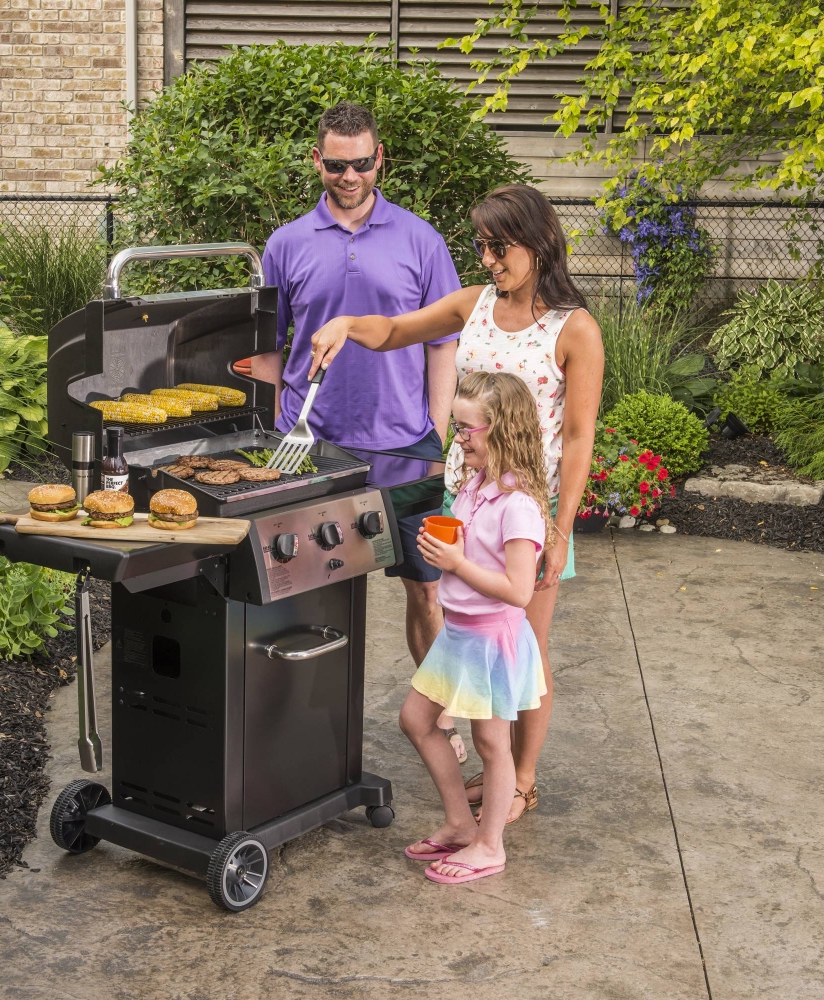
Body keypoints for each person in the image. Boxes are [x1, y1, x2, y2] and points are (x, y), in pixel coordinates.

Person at [307, 183, 604, 824]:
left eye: (501, 248)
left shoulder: (574, 329)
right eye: (482, 247)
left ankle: (522, 780)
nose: (489, 260)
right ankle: (498, 767)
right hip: (465, 501)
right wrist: (347, 325)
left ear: (538, 244)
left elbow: (580, 439)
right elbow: (394, 331)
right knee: (474, 633)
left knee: (525, 648)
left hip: (528, 512)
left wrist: (561, 531)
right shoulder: (473, 305)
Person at [254, 101, 469, 761]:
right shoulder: (286, 244)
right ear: (317, 161)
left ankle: (444, 717)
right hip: (312, 449)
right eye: (336, 164)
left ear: (380, 159)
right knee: (303, 591)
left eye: (361, 163)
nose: (349, 176)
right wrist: (274, 429)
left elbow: (444, 344)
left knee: (425, 589)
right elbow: (268, 348)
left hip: (405, 449)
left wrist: (437, 435)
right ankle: (301, 730)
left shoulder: (421, 241)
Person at [398, 371, 551, 882]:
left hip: (491, 639)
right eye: (457, 427)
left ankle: (490, 846)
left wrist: (457, 564)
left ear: (501, 430)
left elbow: (519, 591)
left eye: (467, 429)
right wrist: (447, 552)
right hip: (459, 633)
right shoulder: (476, 485)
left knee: (491, 745)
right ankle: (461, 824)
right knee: (417, 721)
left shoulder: (519, 506)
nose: (458, 439)